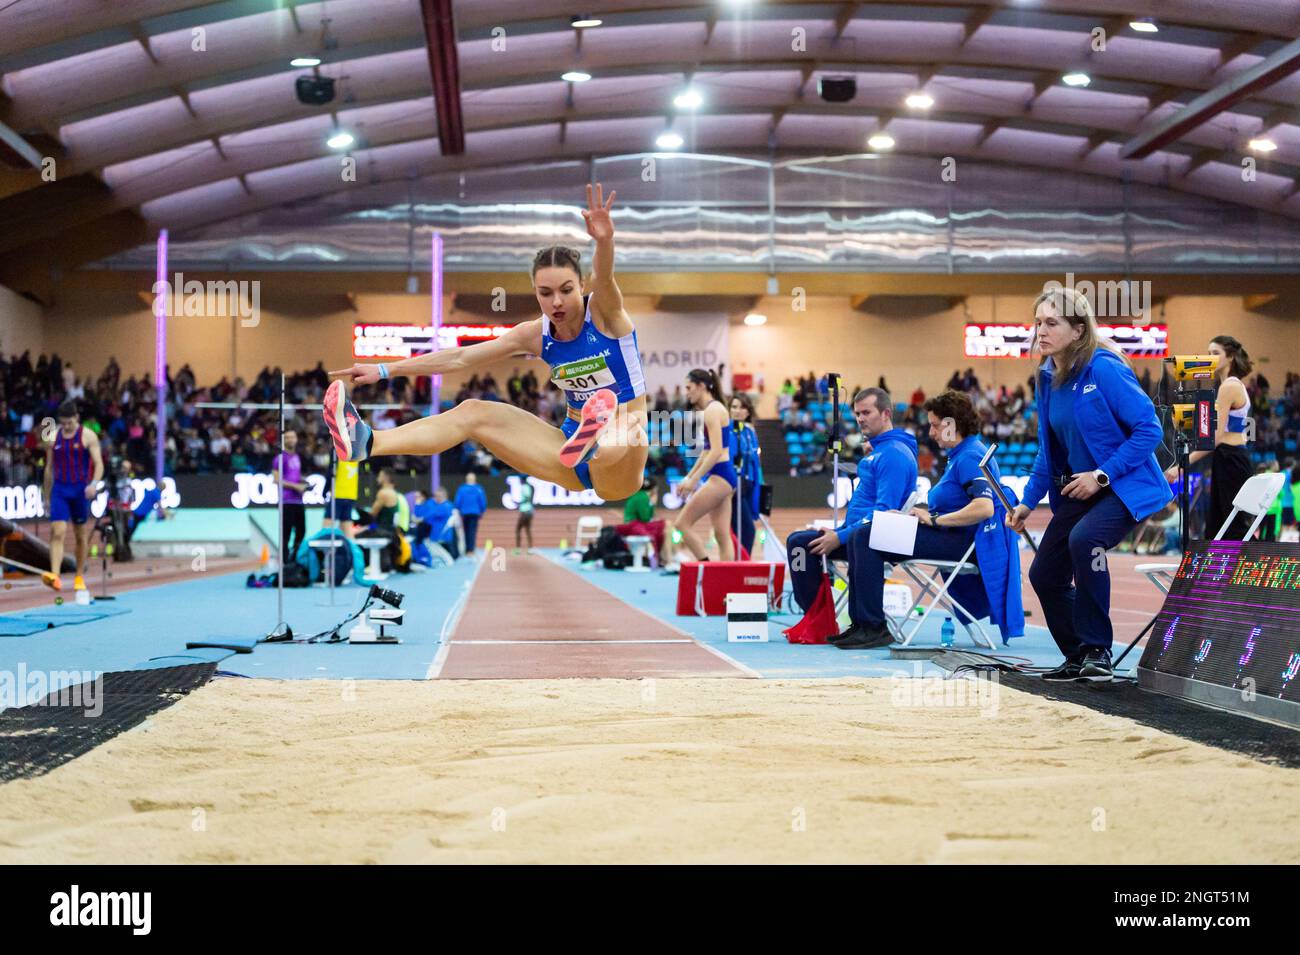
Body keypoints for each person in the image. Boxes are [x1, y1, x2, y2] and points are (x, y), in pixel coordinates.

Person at [323, 184, 649, 502]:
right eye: (545, 293)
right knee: (472, 412)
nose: (557, 302)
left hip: (622, 460)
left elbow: (605, 278)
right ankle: (366, 442)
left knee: (627, 422)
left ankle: (595, 441)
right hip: (564, 446)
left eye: (566, 290)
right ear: (535, 292)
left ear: (581, 285)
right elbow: (460, 358)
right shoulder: (535, 334)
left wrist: (605, 242)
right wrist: (384, 369)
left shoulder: (606, 315)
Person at [1008, 287, 1171, 683]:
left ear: (1078, 330)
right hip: (1076, 490)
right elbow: (1049, 450)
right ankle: (1079, 653)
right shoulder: (1046, 378)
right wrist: (1028, 501)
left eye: (1051, 323)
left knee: (1085, 541)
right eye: (1037, 323)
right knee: (1044, 574)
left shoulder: (1104, 368)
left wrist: (1102, 475)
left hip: (1122, 485)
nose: (1040, 332)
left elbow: (1149, 430)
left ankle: (1099, 649)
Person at [833, 390, 1022, 650]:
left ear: (951, 425)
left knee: (866, 537)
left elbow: (985, 508)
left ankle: (873, 626)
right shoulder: (960, 455)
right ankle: (863, 624)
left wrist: (934, 520)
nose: (931, 433)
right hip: (950, 537)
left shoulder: (969, 456)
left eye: (934, 425)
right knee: (863, 534)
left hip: (960, 543)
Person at [785, 388, 918, 615]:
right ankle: (818, 616)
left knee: (800, 545)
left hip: (870, 541)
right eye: (857, 413)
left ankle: (818, 617)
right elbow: (865, 509)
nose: (860, 419)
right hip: (856, 533)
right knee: (799, 539)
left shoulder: (893, 454)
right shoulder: (881, 450)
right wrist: (839, 530)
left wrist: (839, 537)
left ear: (886, 414)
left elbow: (884, 512)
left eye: (866, 412)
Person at [1164, 335, 1253, 540]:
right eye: (1209, 354)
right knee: (1218, 527)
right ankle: (1219, 571)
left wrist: (1181, 466)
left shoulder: (1229, 387)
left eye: (1216, 353)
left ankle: (1262, 569)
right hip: (1230, 458)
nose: (1211, 358)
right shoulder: (1231, 385)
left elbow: (1216, 438)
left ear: (1230, 357)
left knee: (1231, 526)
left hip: (1231, 459)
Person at [664, 369, 737, 568]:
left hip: (720, 476)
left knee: (681, 524)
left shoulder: (712, 410)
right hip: (724, 476)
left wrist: (694, 481)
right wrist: (689, 476)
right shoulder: (713, 409)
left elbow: (715, 452)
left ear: (702, 386)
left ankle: (708, 568)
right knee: (722, 535)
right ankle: (727, 581)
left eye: (689, 388)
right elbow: (706, 451)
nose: (686, 393)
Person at [42, 400, 104, 593]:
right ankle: (55, 575)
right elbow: (49, 468)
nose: (66, 426)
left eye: (69, 422)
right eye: (63, 423)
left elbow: (99, 464)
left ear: (77, 417)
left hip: (79, 490)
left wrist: (93, 484)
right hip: (60, 489)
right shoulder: (53, 436)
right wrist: (46, 496)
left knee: (80, 535)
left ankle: (79, 576)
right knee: (57, 530)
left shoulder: (88, 436)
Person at [729, 392, 763, 556]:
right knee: (747, 531)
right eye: (734, 407)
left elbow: (756, 464)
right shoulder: (727, 430)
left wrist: (760, 488)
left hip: (749, 486)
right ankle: (742, 565)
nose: (737, 411)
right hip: (734, 488)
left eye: (741, 407)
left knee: (742, 532)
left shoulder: (750, 432)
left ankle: (739, 564)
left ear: (748, 411)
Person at [274, 429, 307, 565]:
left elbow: (294, 477)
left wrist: (303, 483)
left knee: (301, 531)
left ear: (296, 439)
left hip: (298, 501)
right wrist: (296, 487)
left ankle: (295, 558)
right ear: (283, 441)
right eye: (287, 438)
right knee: (286, 533)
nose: (290, 440)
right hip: (286, 501)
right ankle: (285, 563)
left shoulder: (296, 457)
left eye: (292, 437)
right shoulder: (280, 458)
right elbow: (277, 479)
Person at [616, 476, 667, 564]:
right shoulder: (643, 497)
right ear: (654, 489)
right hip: (634, 526)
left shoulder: (637, 495)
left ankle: (662, 557)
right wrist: (652, 505)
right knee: (666, 526)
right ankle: (663, 558)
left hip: (633, 525)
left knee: (664, 527)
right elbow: (646, 518)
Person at [324, 458, 358, 537]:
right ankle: (353, 549)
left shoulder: (337, 449)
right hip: (351, 495)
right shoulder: (357, 449)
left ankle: (324, 549)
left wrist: (325, 490)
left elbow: (331, 471)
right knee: (347, 532)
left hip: (338, 494)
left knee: (326, 529)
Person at [455, 472, 487, 553]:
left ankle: (467, 549)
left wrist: (458, 509)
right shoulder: (478, 488)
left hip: (465, 513)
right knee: (472, 531)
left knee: (466, 530)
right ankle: (471, 549)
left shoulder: (462, 489)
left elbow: (458, 501)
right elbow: (482, 501)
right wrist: (482, 511)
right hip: (475, 513)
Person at [515, 473, 535, 553]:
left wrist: (519, 503)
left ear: (522, 480)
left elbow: (527, 497)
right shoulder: (529, 486)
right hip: (529, 510)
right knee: (528, 529)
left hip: (525, 511)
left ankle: (518, 548)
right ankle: (530, 548)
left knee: (518, 529)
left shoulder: (525, 487)